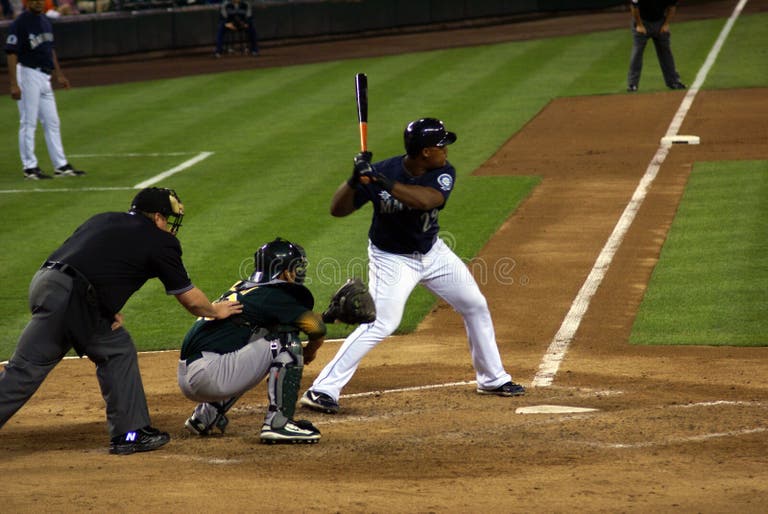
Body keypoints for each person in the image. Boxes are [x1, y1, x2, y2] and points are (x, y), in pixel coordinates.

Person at [300, 118, 526, 415]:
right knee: (381, 322)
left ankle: (492, 378)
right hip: (391, 259)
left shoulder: (441, 172)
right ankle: (322, 389)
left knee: (475, 305)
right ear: (425, 151)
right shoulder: (382, 171)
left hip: (433, 253)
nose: (446, 149)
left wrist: (383, 182)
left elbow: (427, 200)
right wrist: (354, 180)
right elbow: (337, 210)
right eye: (441, 145)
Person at [0, 187, 243, 455]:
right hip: (73, 298)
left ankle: (131, 431)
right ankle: (129, 433)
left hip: (47, 283)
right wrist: (215, 310)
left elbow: (91, 259)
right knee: (26, 369)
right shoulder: (160, 241)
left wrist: (103, 306)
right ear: (158, 217)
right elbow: (191, 300)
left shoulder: (103, 219)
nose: (171, 228)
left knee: (116, 347)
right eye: (169, 220)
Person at [178, 238, 326, 444]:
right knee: (285, 341)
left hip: (192, 373)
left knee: (255, 339)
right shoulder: (274, 293)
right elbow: (316, 328)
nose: (298, 272)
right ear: (283, 271)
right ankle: (279, 423)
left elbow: (290, 320)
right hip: (209, 375)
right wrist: (310, 351)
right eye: (295, 267)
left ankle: (205, 416)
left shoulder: (247, 288)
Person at [5, 0, 86, 180]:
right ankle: (30, 168)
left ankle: (61, 165)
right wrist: (13, 83)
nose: (39, 3)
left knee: (52, 122)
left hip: (45, 76)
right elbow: (11, 52)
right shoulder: (20, 23)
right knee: (28, 122)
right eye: (34, 0)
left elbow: (50, 50)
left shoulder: (45, 21)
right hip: (27, 74)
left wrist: (59, 74)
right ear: (27, 2)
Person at [626, 0, 686, 92]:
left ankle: (673, 82)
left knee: (665, 52)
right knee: (637, 53)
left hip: (660, 22)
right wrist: (639, 25)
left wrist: (666, 24)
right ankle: (632, 84)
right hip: (642, 21)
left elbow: (672, 7)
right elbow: (634, 7)